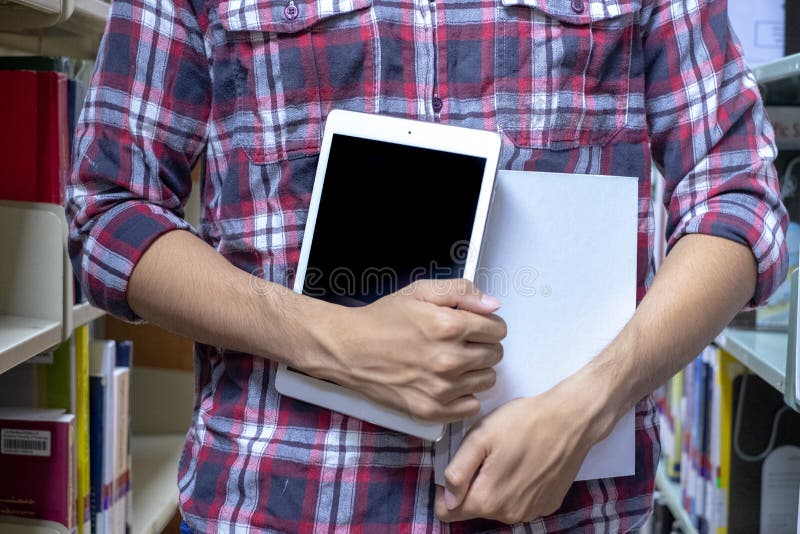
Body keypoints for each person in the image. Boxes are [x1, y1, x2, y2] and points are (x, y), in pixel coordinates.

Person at [67, 0, 788, 530]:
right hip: (276, 505)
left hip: (568, 512)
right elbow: (110, 211)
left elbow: (739, 202)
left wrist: (591, 404)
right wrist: (331, 340)